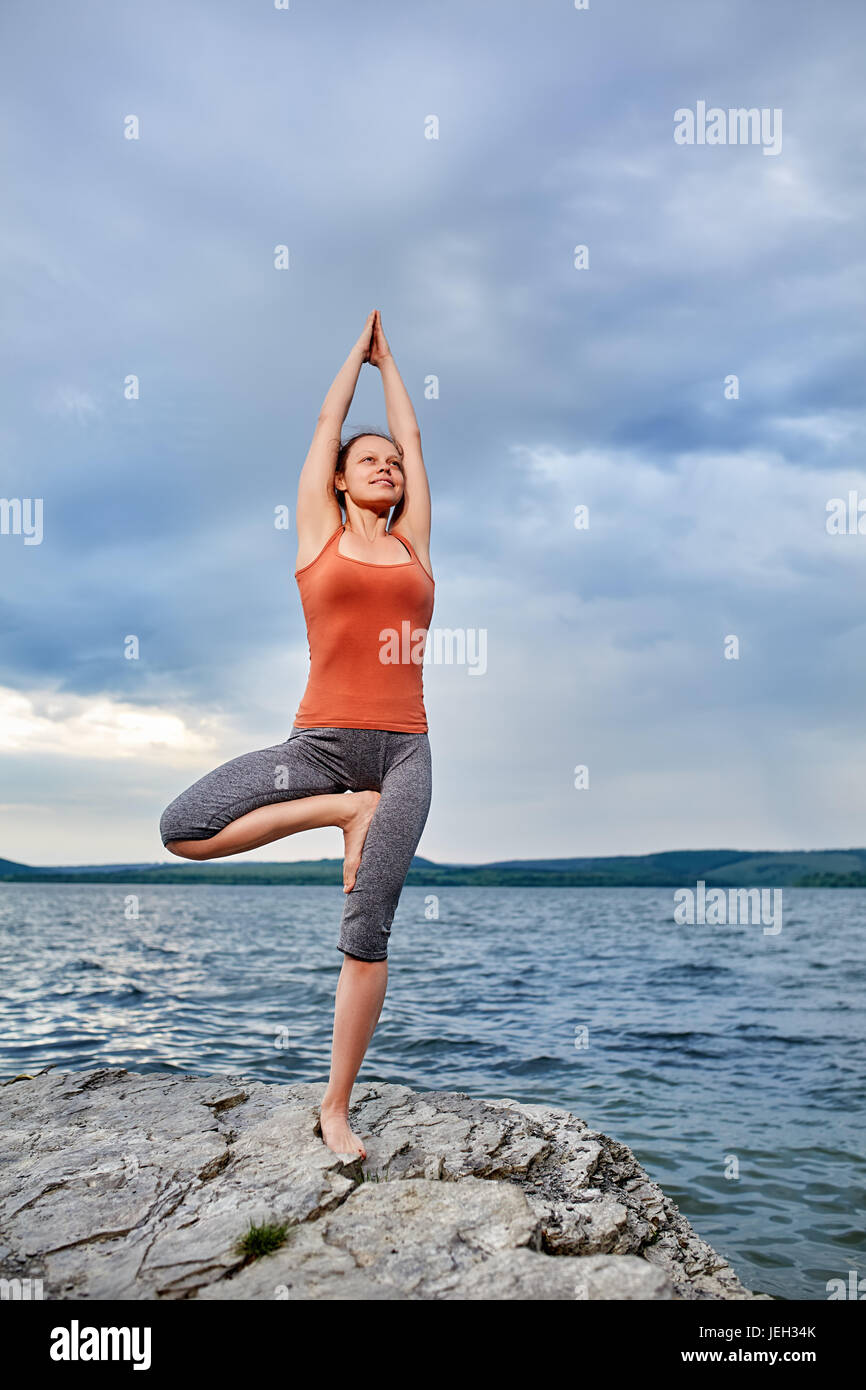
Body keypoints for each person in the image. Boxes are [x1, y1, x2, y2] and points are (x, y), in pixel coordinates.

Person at [159, 310, 434, 1159]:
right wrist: (356, 357)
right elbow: (324, 426)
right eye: (370, 461)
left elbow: (416, 435)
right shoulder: (318, 539)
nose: (386, 466)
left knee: (367, 930)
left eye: (392, 463)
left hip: (406, 752)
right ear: (343, 485)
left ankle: (337, 1106)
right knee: (183, 830)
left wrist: (396, 375)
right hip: (315, 750)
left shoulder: (416, 546)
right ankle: (342, 813)